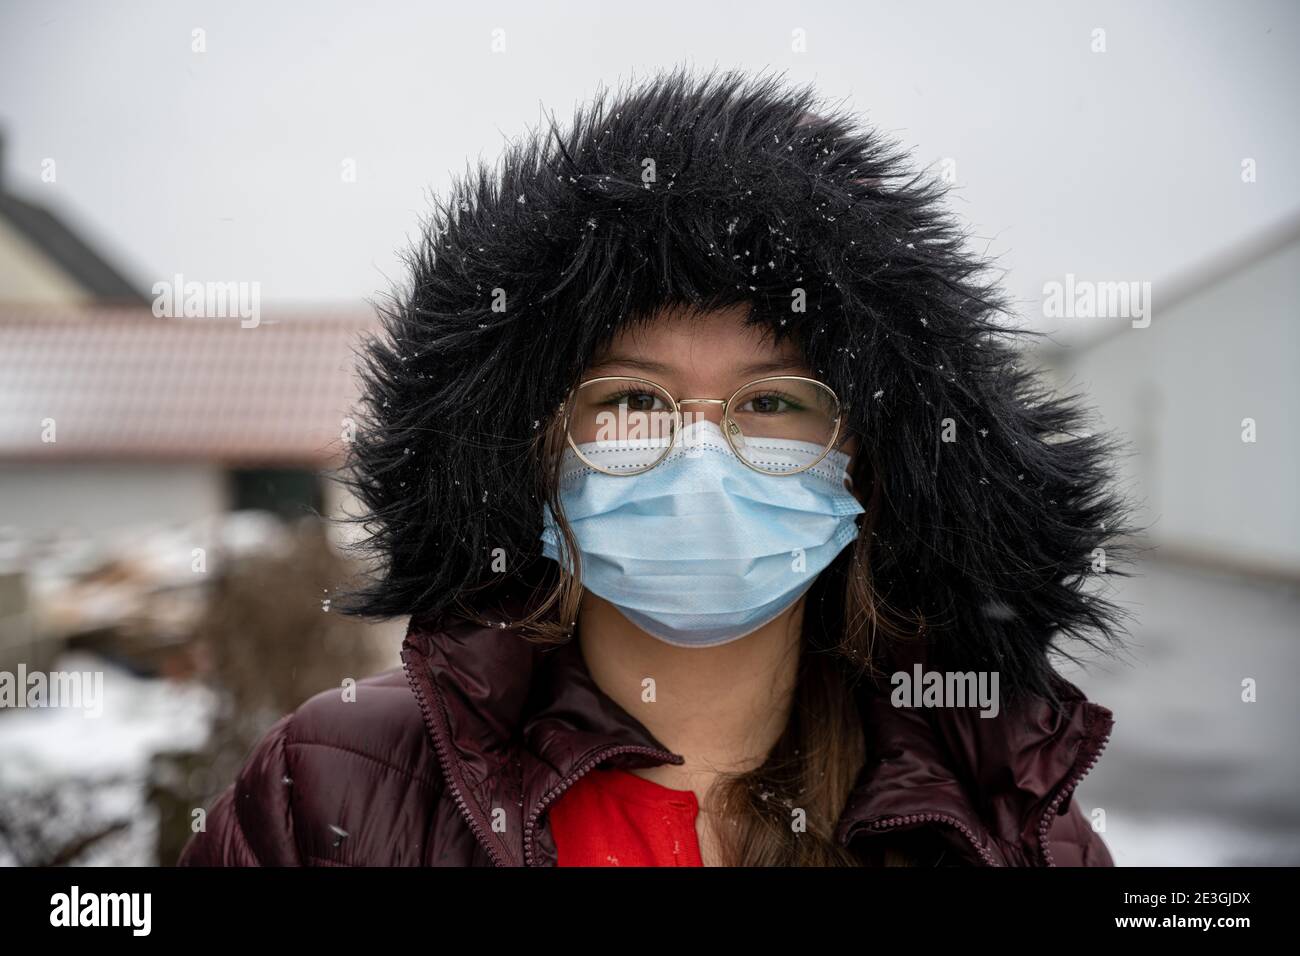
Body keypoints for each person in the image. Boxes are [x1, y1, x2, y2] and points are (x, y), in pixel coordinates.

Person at [177, 66, 1139, 868]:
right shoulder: (332, 789)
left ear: (864, 465)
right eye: (633, 400)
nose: (703, 458)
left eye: (772, 403)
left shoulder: (1013, 829)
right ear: (536, 453)